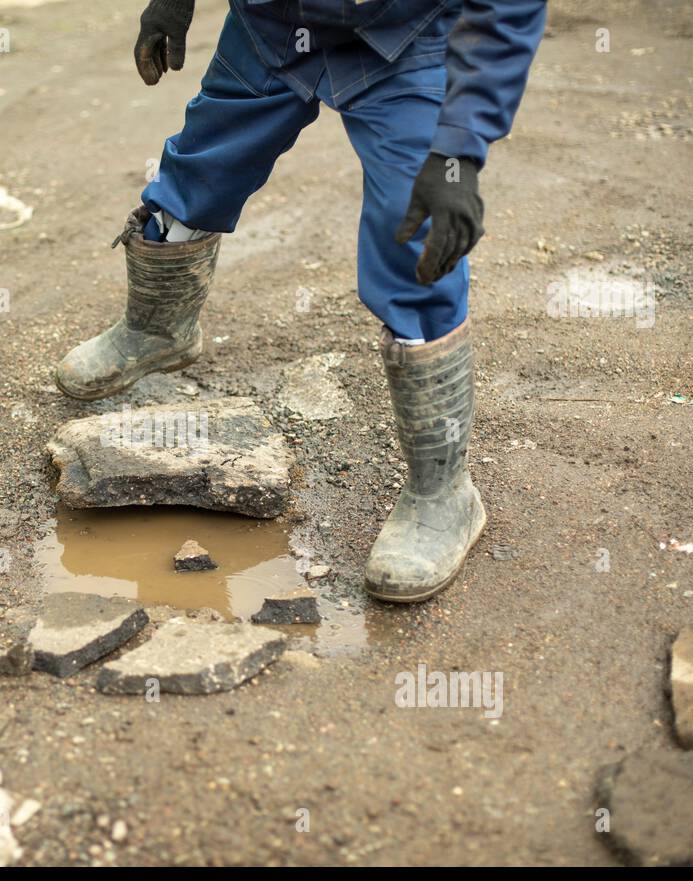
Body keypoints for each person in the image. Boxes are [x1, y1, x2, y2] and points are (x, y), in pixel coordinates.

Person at [54, 0, 547, 602]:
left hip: (406, 35)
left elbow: (508, 9)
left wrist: (459, 149)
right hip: (274, 24)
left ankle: (442, 494)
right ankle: (160, 329)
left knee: (413, 236)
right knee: (195, 172)